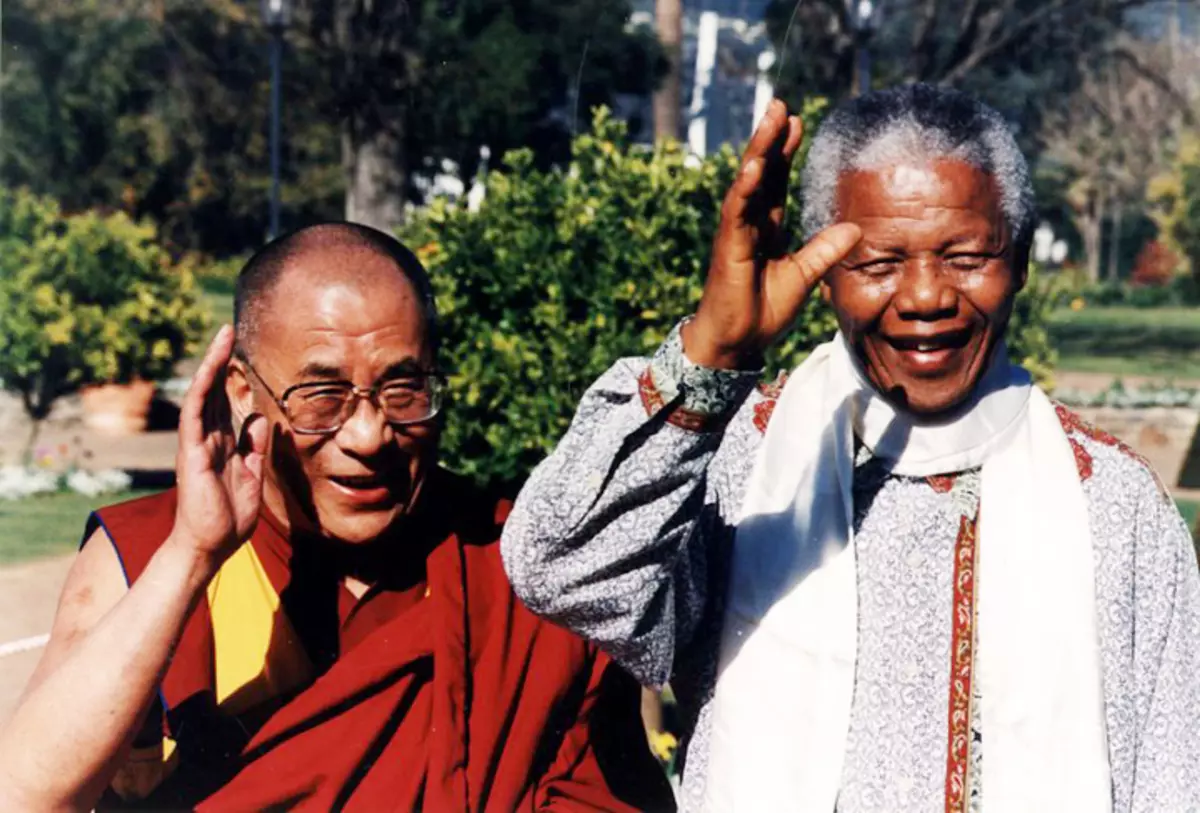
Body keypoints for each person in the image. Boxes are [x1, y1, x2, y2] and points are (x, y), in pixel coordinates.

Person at [500, 86, 1200, 812]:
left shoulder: (1112, 505)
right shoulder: (738, 463)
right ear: (823, 276)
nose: (926, 295)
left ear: (1019, 261)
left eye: (965, 256)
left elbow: (1174, 778)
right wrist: (710, 352)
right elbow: (559, 568)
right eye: (877, 263)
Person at [0, 223, 673, 810]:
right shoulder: (151, 551)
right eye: (322, 395)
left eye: (403, 388)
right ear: (242, 391)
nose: (369, 434)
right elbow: (26, 794)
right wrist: (192, 554)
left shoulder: (512, 563)